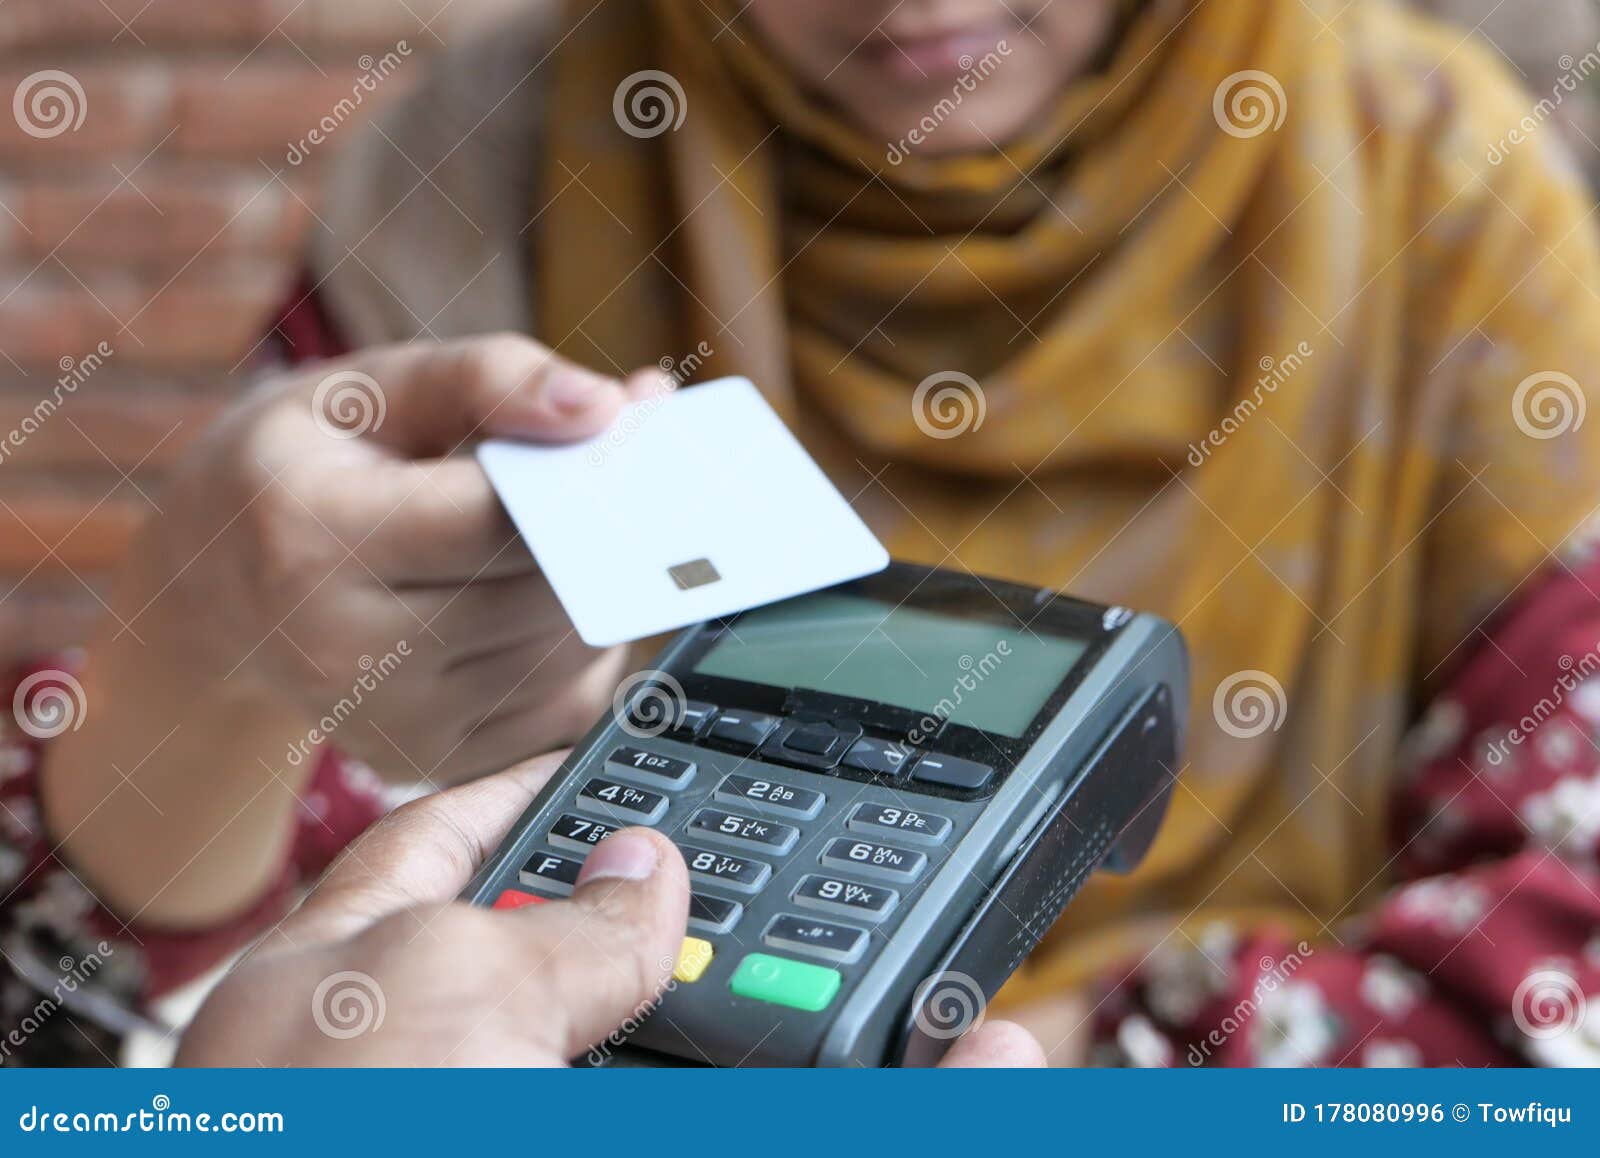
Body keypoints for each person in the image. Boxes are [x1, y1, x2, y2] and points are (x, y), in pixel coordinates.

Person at [3, 0, 1598, 1066]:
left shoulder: (1438, 190)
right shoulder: (481, 167)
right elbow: (135, 1011)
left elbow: (1567, 939)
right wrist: (199, 663)